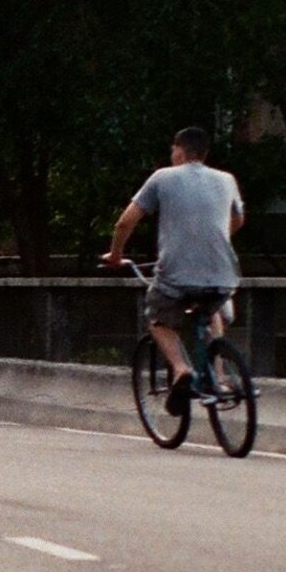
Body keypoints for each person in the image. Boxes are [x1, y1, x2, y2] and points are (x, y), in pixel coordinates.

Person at [101, 125, 244, 415]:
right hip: (222, 272)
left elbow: (125, 223)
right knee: (212, 311)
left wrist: (116, 256)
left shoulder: (162, 177)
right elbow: (238, 219)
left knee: (157, 318)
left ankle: (181, 370)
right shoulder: (227, 179)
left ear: (179, 151)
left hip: (176, 273)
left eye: (172, 150)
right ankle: (219, 377)